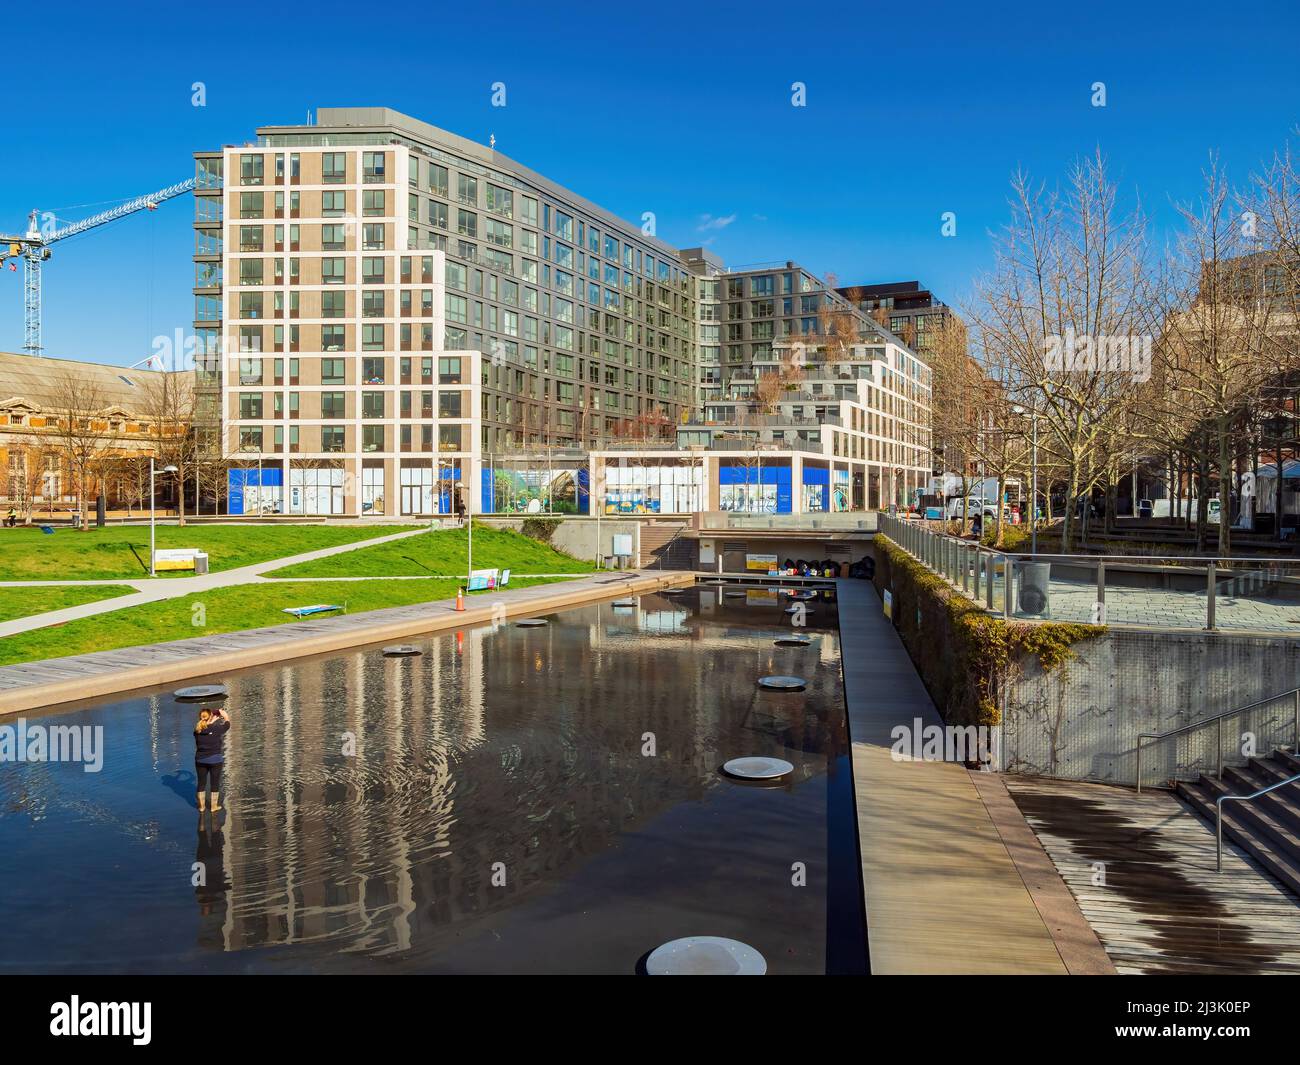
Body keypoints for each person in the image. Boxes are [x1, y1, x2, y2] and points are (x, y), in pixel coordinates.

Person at [194, 706, 231, 813]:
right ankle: (213, 807)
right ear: (210, 717)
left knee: (201, 783)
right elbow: (227, 724)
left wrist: (212, 720)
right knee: (214, 783)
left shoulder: (197, 730)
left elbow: (207, 727)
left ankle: (201, 807)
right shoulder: (217, 729)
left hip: (200, 760)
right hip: (215, 760)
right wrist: (225, 716)